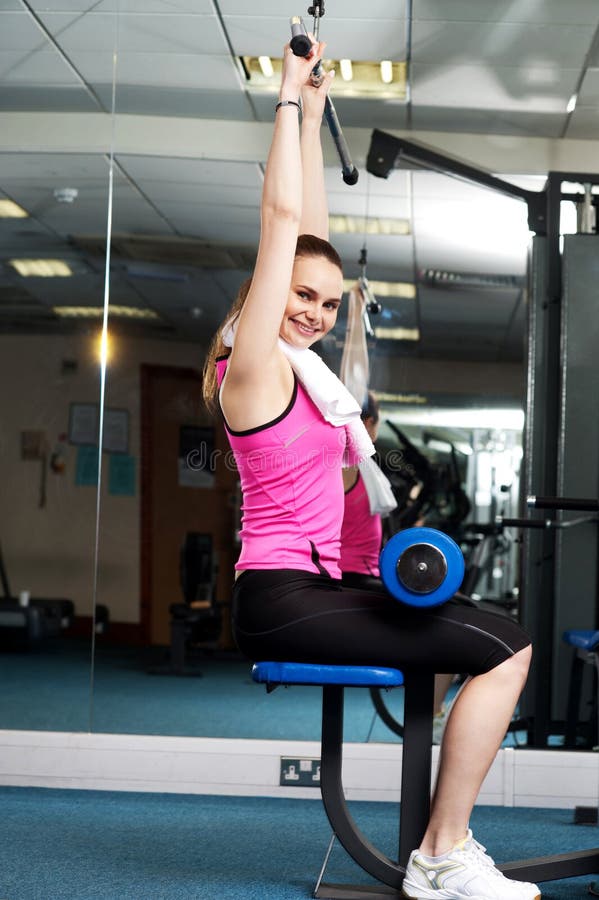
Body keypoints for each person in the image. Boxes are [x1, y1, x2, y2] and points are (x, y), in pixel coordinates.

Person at [202, 32, 539, 900]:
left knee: (494, 630)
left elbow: (308, 234)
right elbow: (283, 226)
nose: (314, 313)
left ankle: (439, 843)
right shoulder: (252, 371)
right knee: (504, 646)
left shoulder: (307, 371)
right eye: (298, 296)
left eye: (325, 302)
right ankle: (441, 855)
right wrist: (285, 97)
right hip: (279, 599)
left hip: (323, 585)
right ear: (263, 296)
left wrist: (317, 114)